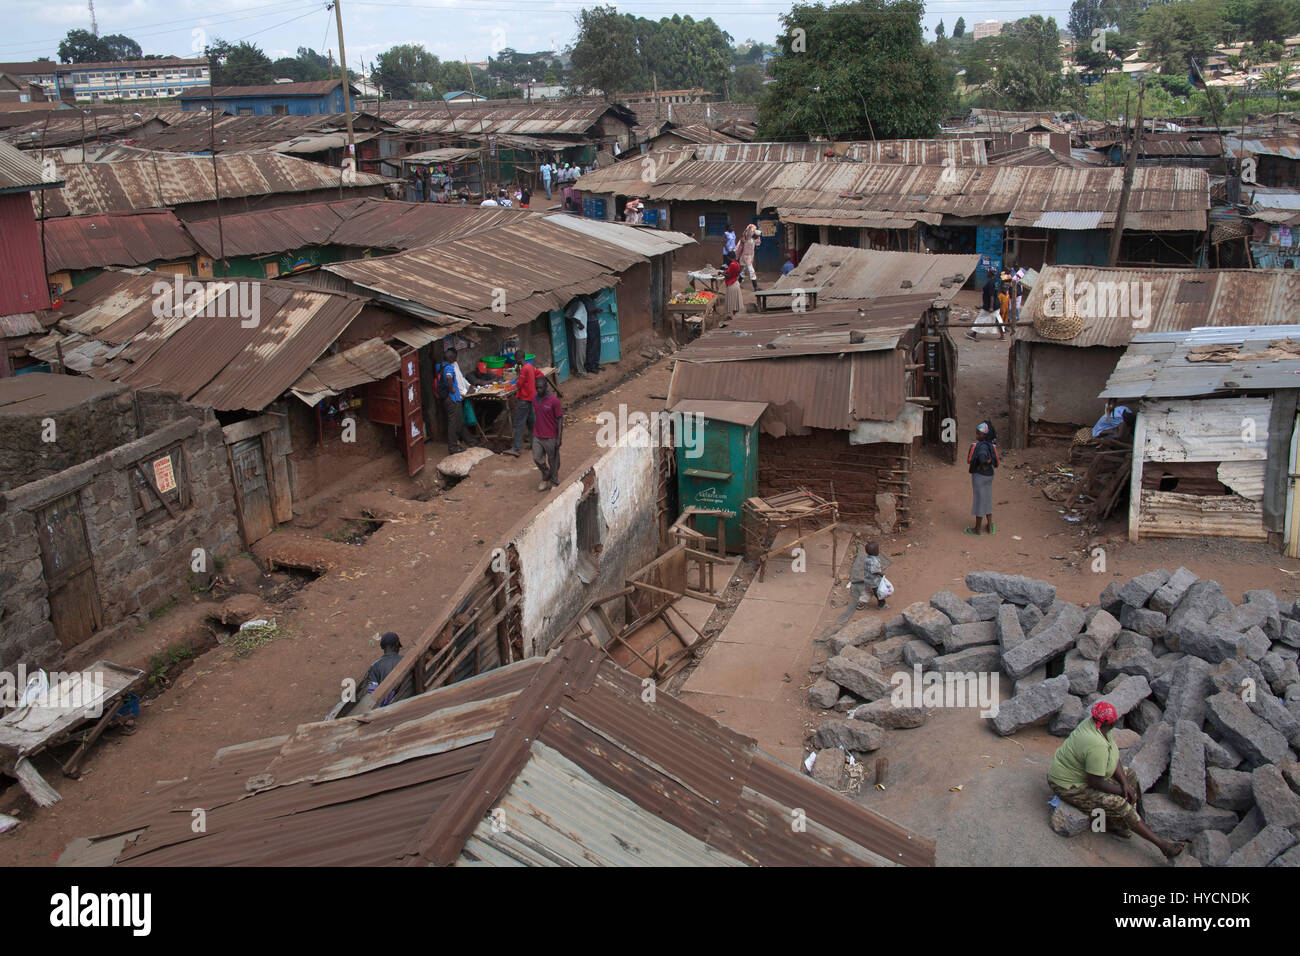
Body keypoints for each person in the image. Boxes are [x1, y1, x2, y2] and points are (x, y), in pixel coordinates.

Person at [1049, 701, 1186, 861]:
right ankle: (1163, 846)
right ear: (1111, 722)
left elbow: (1113, 757)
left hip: (1082, 775)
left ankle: (1121, 822)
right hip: (1067, 785)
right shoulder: (1095, 743)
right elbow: (1095, 782)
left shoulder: (1096, 725)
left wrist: (1126, 785)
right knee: (1117, 803)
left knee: (1130, 775)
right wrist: (1121, 792)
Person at [436, 348, 478, 454]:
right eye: (454, 358)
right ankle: (453, 447)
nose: (456, 359)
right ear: (451, 358)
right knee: (454, 423)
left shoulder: (440, 366)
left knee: (458, 421)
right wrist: (452, 389)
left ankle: (471, 441)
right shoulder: (450, 367)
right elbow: (449, 378)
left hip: (446, 398)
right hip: (452, 398)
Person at [838, 538, 891, 623]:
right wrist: (881, 574)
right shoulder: (874, 561)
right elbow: (875, 571)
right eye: (877, 550)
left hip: (867, 580)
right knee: (878, 593)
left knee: (867, 592)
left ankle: (861, 602)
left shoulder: (867, 559)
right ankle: (882, 604)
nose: (878, 551)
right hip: (874, 582)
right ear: (875, 552)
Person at [965, 421, 999, 536]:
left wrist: (983, 464)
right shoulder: (990, 444)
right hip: (990, 475)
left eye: (979, 434)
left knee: (979, 501)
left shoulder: (981, 446)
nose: (977, 436)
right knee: (987, 499)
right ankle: (989, 526)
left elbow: (982, 457)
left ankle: (977, 529)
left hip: (980, 476)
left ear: (985, 435)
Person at [531, 377, 563, 491]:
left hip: (551, 436)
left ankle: (554, 481)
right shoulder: (534, 399)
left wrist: (559, 437)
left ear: (546, 387)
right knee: (537, 457)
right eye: (537, 388)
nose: (538, 390)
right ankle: (546, 475)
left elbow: (559, 419)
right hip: (537, 435)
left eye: (540, 388)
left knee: (553, 460)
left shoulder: (554, 401)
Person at [505, 353, 539, 457]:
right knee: (531, 422)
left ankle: (516, 448)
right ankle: (535, 444)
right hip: (531, 397)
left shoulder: (524, 369)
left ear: (518, 359)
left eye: (516, 359)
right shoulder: (530, 366)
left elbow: (519, 384)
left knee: (519, 423)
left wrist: (516, 379)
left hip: (524, 398)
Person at [365, 632, 403, 705]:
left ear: (382, 647)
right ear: (396, 645)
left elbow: (373, 692)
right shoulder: (405, 660)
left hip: (385, 708)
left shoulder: (375, 666)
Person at [565, 296, 589, 378]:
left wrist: (574, 323)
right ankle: (581, 372)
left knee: (578, 354)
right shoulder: (580, 305)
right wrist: (580, 324)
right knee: (580, 355)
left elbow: (567, 315)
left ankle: (579, 370)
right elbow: (576, 317)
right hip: (581, 335)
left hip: (576, 334)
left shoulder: (574, 304)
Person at [738, 223, 761, 293]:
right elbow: (747, 232)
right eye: (756, 235)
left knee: (743, 271)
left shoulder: (754, 240)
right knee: (751, 271)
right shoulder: (747, 238)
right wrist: (750, 227)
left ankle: (737, 284)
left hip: (750, 256)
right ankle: (755, 287)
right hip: (746, 256)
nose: (757, 236)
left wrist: (758, 236)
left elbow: (758, 243)